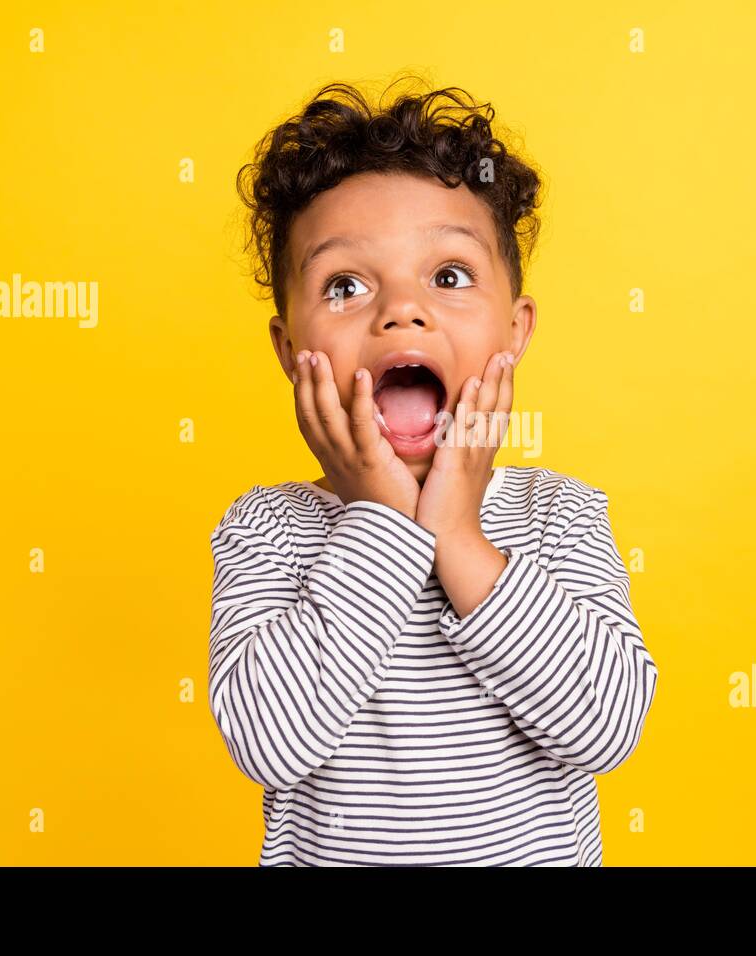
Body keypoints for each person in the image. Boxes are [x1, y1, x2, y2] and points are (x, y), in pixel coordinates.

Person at [208, 75, 658, 865]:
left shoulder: (562, 515)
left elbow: (606, 727)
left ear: (514, 331)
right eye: (345, 285)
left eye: (448, 277)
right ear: (288, 351)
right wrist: (380, 520)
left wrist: (457, 533)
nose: (400, 311)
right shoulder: (266, 530)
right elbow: (268, 744)